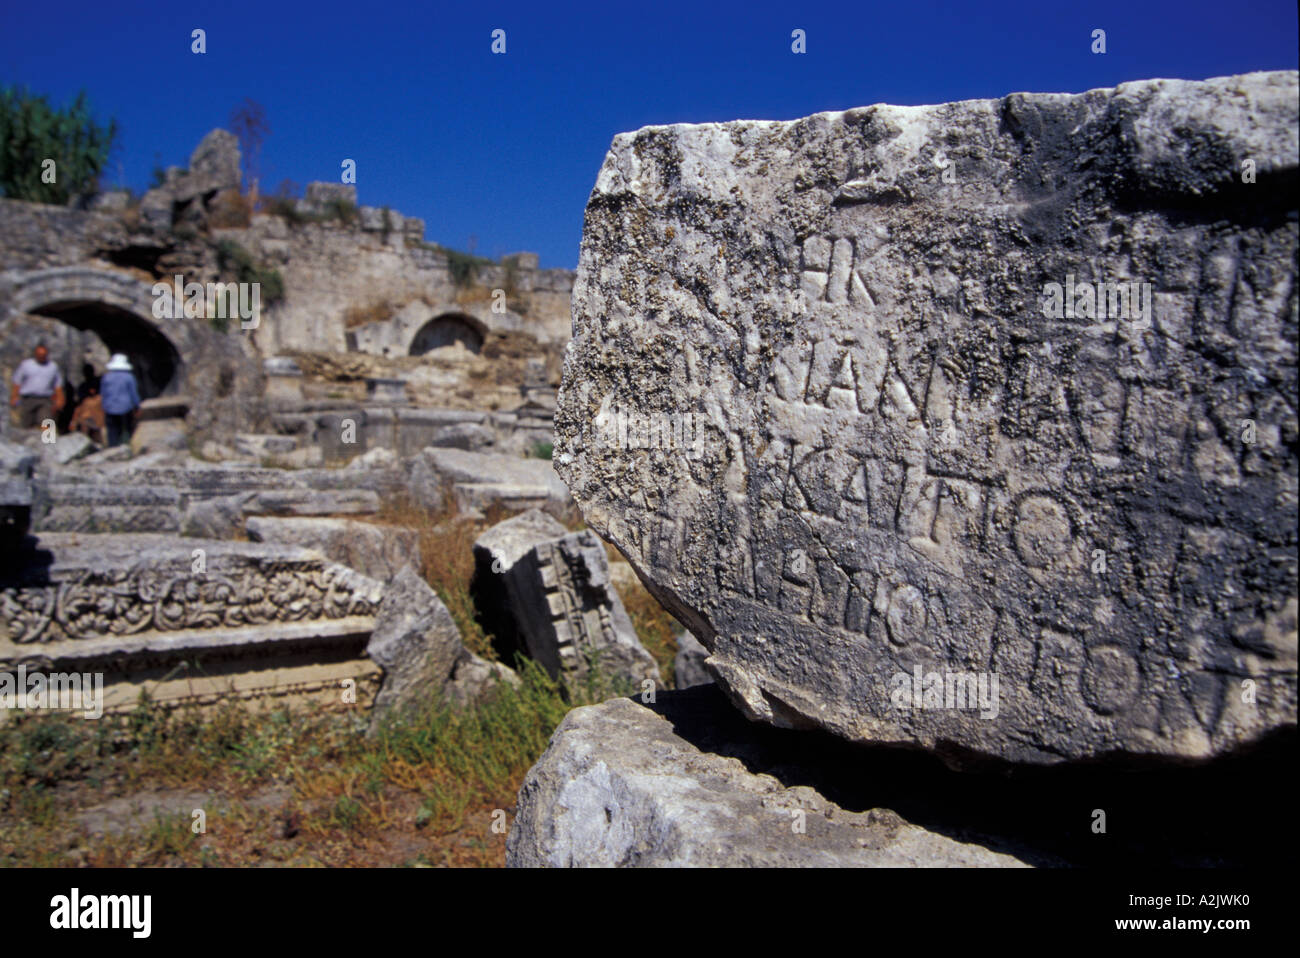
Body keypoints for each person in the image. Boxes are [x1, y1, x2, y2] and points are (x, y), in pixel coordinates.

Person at [9, 343, 65, 430]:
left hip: (45, 399)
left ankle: (49, 441)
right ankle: (25, 441)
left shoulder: (53, 367)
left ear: (47, 354)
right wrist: (14, 396)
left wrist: (60, 398)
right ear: (35, 354)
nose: (41, 356)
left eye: (43, 355)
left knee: (47, 421)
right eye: (39, 354)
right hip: (28, 398)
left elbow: (58, 384)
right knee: (26, 423)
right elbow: (17, 381)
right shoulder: (26, 365)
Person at [100, 353, 141, 448]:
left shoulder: (106, 377)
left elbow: (103, 394)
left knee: (112, 431)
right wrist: (137, 406)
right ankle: (127, 447)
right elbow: (133, 394)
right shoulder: (129, 377)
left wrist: (103, 407)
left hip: (110, 408)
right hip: (125, 408)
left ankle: (112, 449)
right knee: (127, 429)